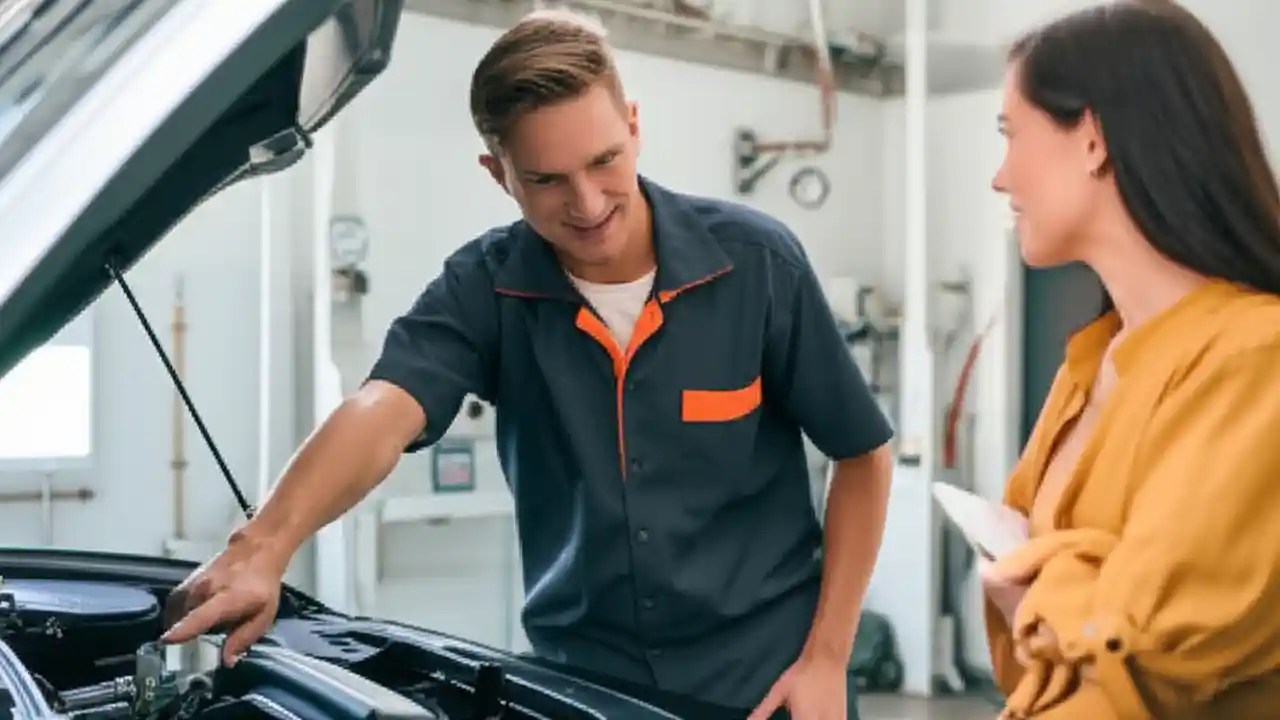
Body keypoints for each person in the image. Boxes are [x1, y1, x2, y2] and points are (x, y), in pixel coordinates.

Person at [160, 9, 895, 718]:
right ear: (498, 173)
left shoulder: (757, 265)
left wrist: (828, 659)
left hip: (770, 688)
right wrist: (263, 547)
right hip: (582, 692)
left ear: (633, 126)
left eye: (604, 161)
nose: (588, 203)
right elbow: (383, 408)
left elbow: (862, 453)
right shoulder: (484, 289)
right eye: (546, 179)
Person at [979, 1, 1280, 718]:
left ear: (1093, 140)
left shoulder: (1255, 356)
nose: (999, 177)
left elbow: (1151, 650)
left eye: (1011, 136)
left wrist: (1042, 593)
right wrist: (1073, 587)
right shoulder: (1089, 362)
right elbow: (1036, 639)